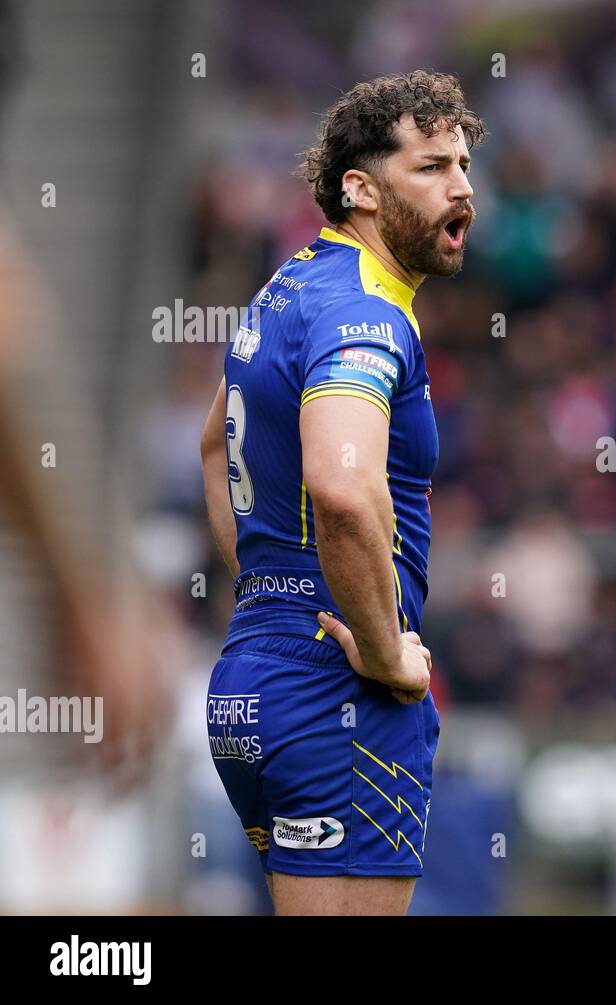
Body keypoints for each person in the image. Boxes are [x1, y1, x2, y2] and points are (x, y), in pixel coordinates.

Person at [200, 70, 484, 915]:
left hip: (255, 674)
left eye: (464, 165)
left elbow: (215, 444)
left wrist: (268, 599)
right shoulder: (364, 310)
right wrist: (385, 645)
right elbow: (341, 486)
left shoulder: (289, 286)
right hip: (339, 685)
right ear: (359, 188)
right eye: (431, 166)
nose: (462, 186)